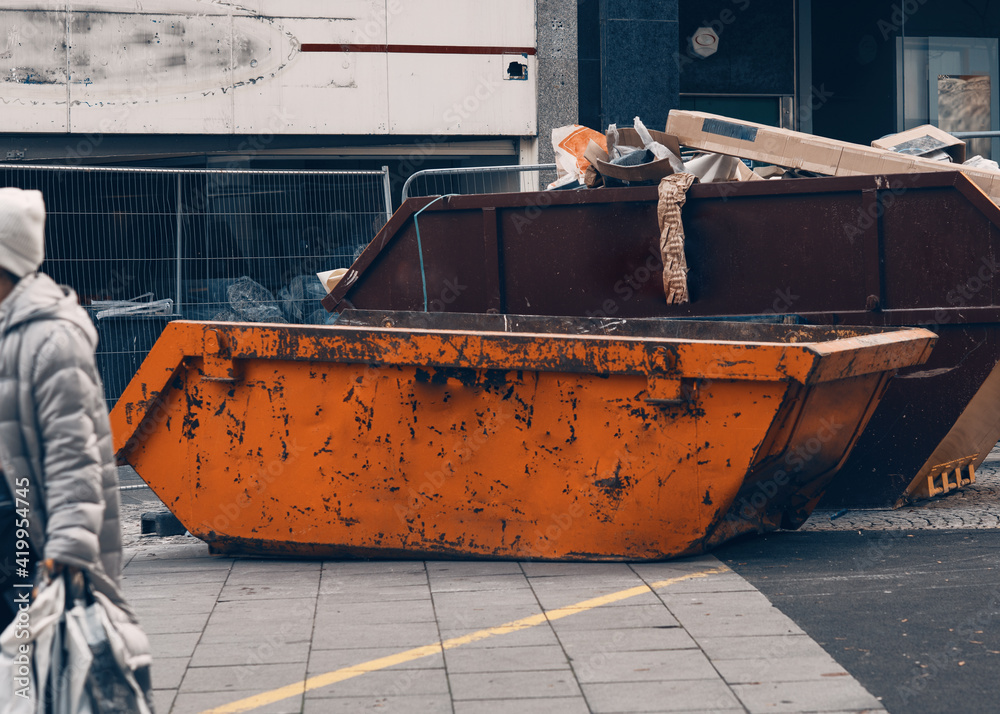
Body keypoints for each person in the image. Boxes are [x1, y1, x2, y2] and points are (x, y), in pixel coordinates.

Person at [0, 187, 152, 705]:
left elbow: (75, 456)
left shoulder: (50, 338)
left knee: (36, 683)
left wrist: (64, 552)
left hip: (31, 543)